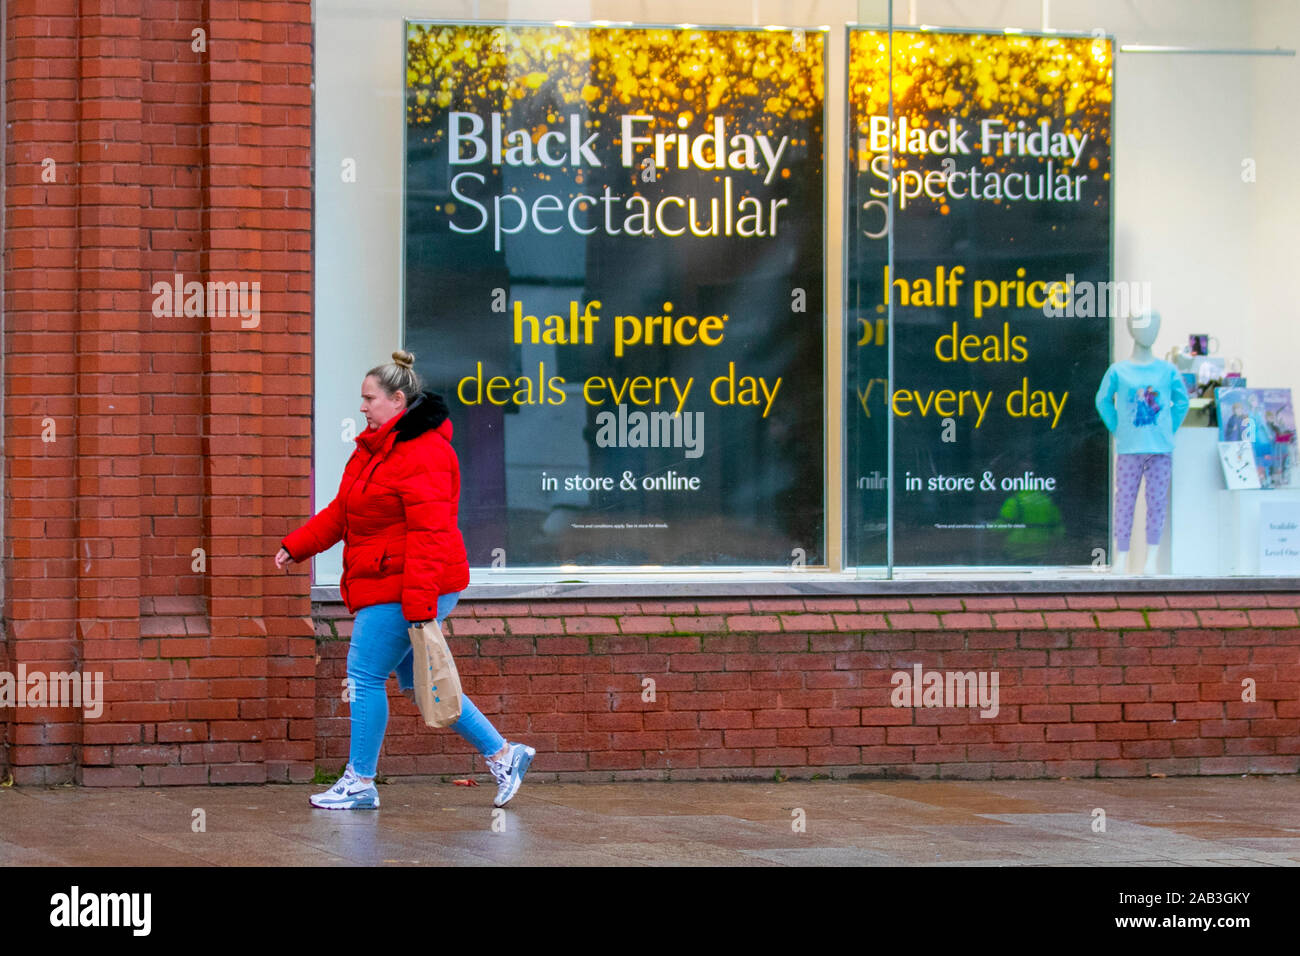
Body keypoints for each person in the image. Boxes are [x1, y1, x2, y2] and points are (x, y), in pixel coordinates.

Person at [274, 350, 534, 809]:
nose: (362, 407)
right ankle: (504, 754)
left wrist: (418, 607)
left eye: (369, 398)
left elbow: (431, 535)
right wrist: (298, 544)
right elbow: (343, 511)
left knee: (364, 674)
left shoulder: (426, 453)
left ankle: (360, 782)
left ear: (397, 399)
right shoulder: (372, 448)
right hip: (392, 580)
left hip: (411, 584)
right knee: (421, 682)